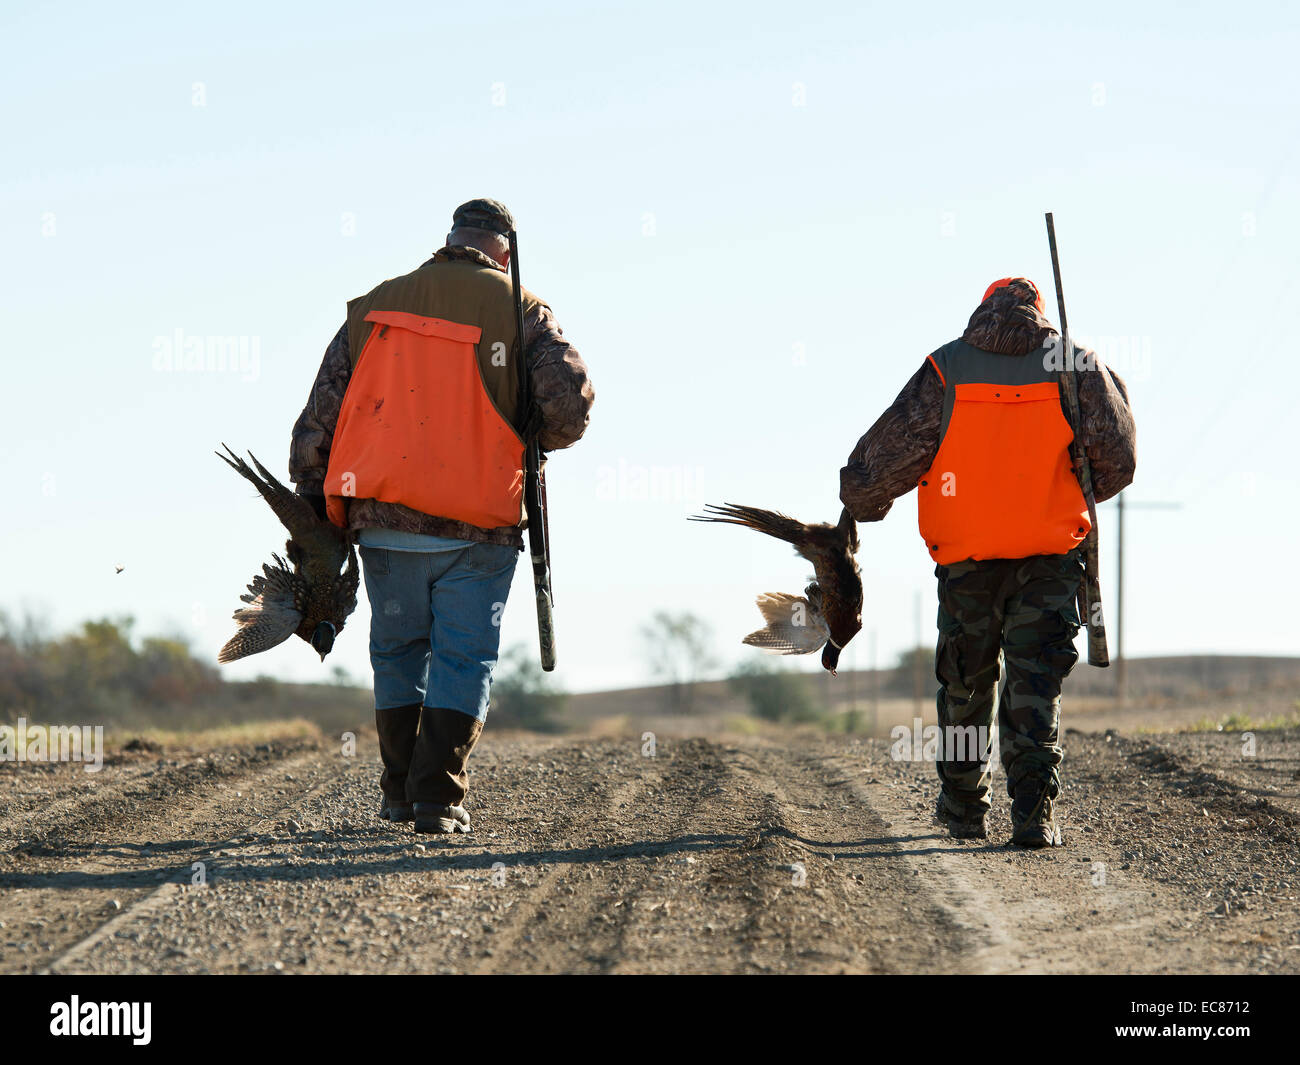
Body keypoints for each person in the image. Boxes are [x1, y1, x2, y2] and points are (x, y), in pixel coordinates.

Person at [289, 198, 594, 834]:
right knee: (465, 656)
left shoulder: (372, 306)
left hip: (382, 515)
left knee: (397, 650)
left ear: (450, 239)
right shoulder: (523, 309)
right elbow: (569, 412)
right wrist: (521, 431)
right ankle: (436, 801)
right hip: (479, 519)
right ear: (504, 251)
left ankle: (399, 796)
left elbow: (318, 421)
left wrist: (319, 501)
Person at [840, 278, 1135, 847]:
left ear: (983, 310)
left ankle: (962, 811)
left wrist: (861, 502)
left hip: (967, 559)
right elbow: (1118, 459)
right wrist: (1074, 479)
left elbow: (887, 460)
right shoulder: (1075, 365)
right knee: (1034, 688)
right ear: (1038, 314)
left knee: (964, 684)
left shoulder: (946, 368)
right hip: (1050, 555)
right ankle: (1032, 817)